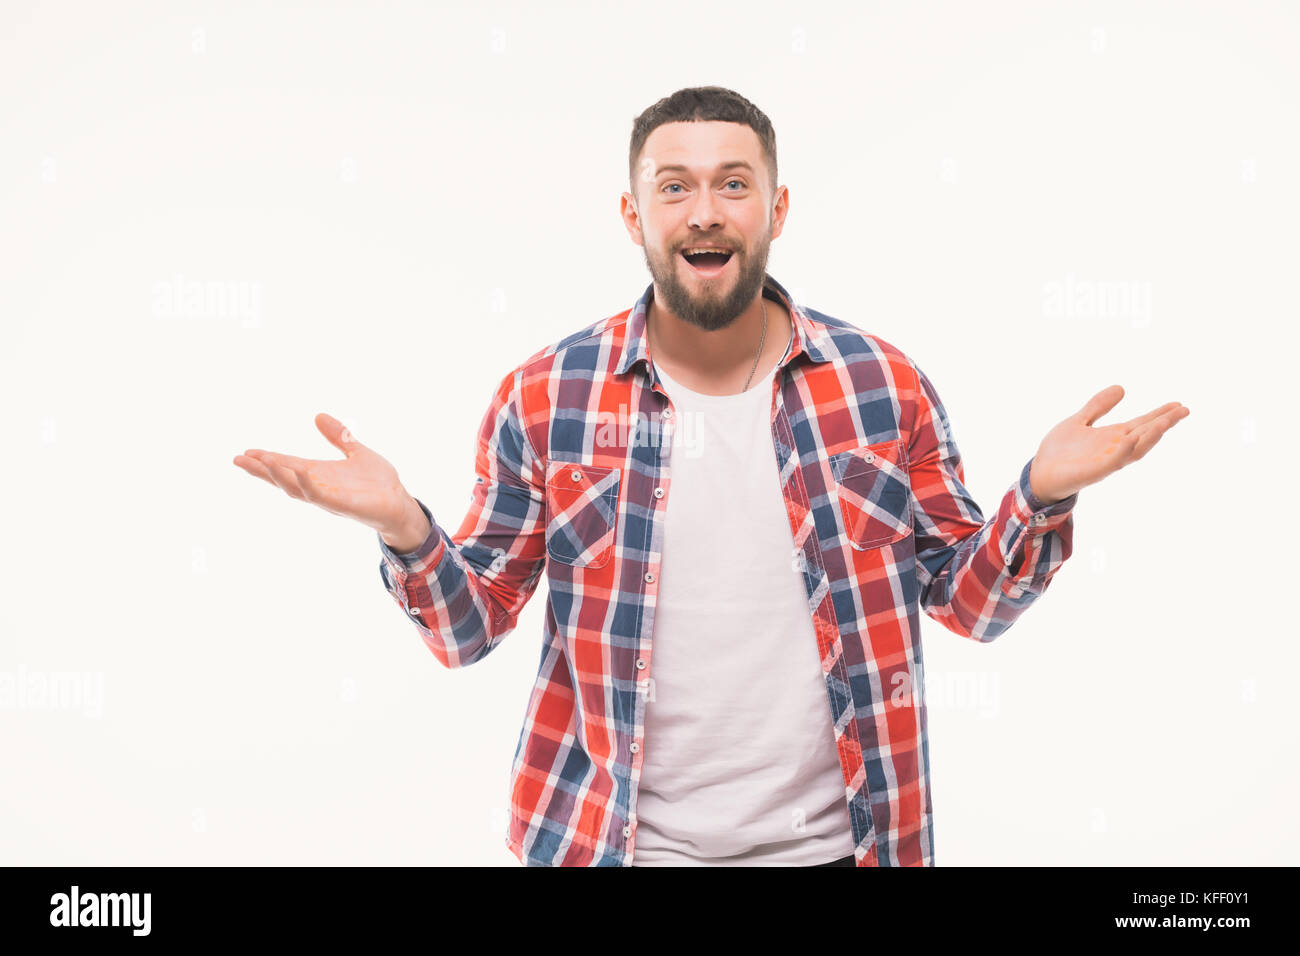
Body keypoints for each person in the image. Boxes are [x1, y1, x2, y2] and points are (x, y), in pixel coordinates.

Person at [232, 86, 1189, 867]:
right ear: (633, 213)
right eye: (675, 186)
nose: (705, 211)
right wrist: (403, 526)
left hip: (845, 850)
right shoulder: (544, 396)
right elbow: (470, 628)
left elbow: (971, 606)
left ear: (774, 209)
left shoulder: (883, 388)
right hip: (609, 848)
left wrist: (1042, 493)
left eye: (734, 184)